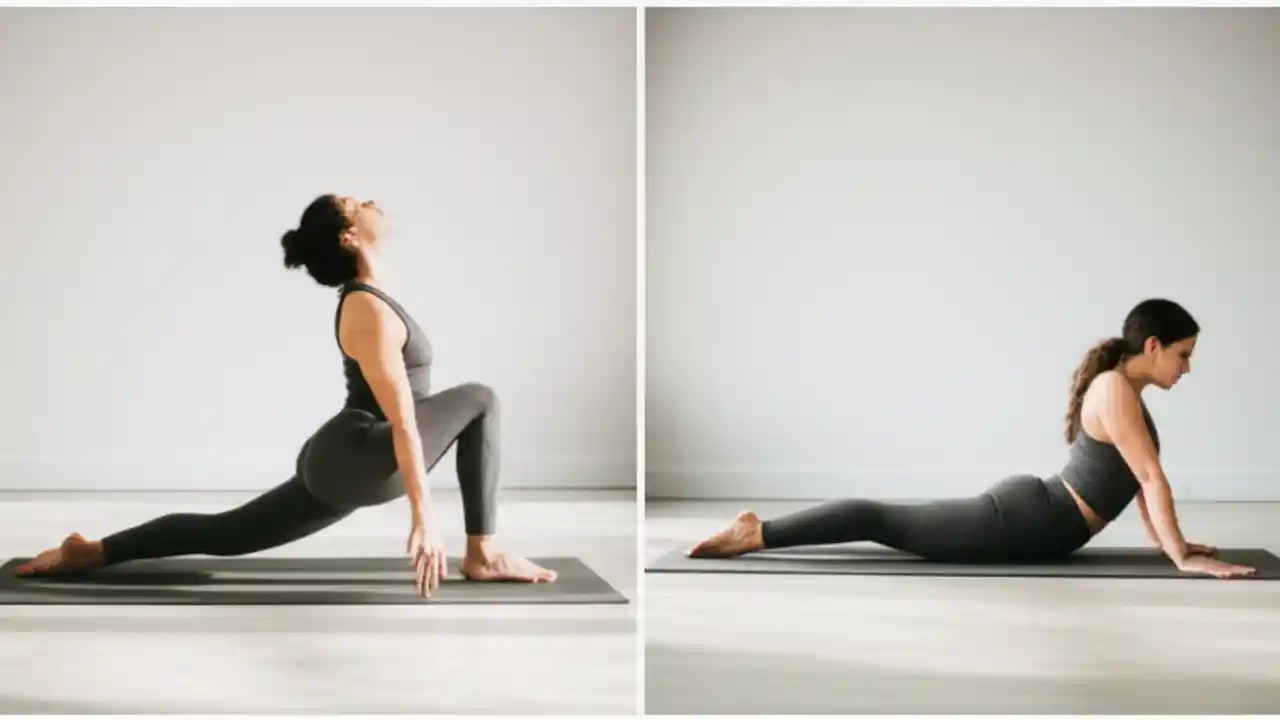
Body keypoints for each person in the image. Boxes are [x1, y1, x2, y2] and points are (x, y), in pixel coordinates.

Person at [14, 194, 557, 597]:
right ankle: (481, 553)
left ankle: (91, 552)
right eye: (355, 202)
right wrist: (425, 517)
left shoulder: (370, 300)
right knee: (481, 396)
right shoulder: (366, 308)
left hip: (346, 458)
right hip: (362, 452)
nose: (369, 201)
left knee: (227, 532)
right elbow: (406, 422)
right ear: (349, 234)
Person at [688, 298, 1257, 579]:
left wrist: (1171, 544)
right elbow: (1153, 477)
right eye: (1183, 355)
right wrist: (1181, 557)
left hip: (1039, 516)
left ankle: (756, 529)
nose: (1187, 368)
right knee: (880, 520)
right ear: (1153, 346)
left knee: (887, 523)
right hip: (1027, 518)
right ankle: (755, 531)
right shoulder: (1113, 389)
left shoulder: (1126, 394)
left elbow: (1138, 481)